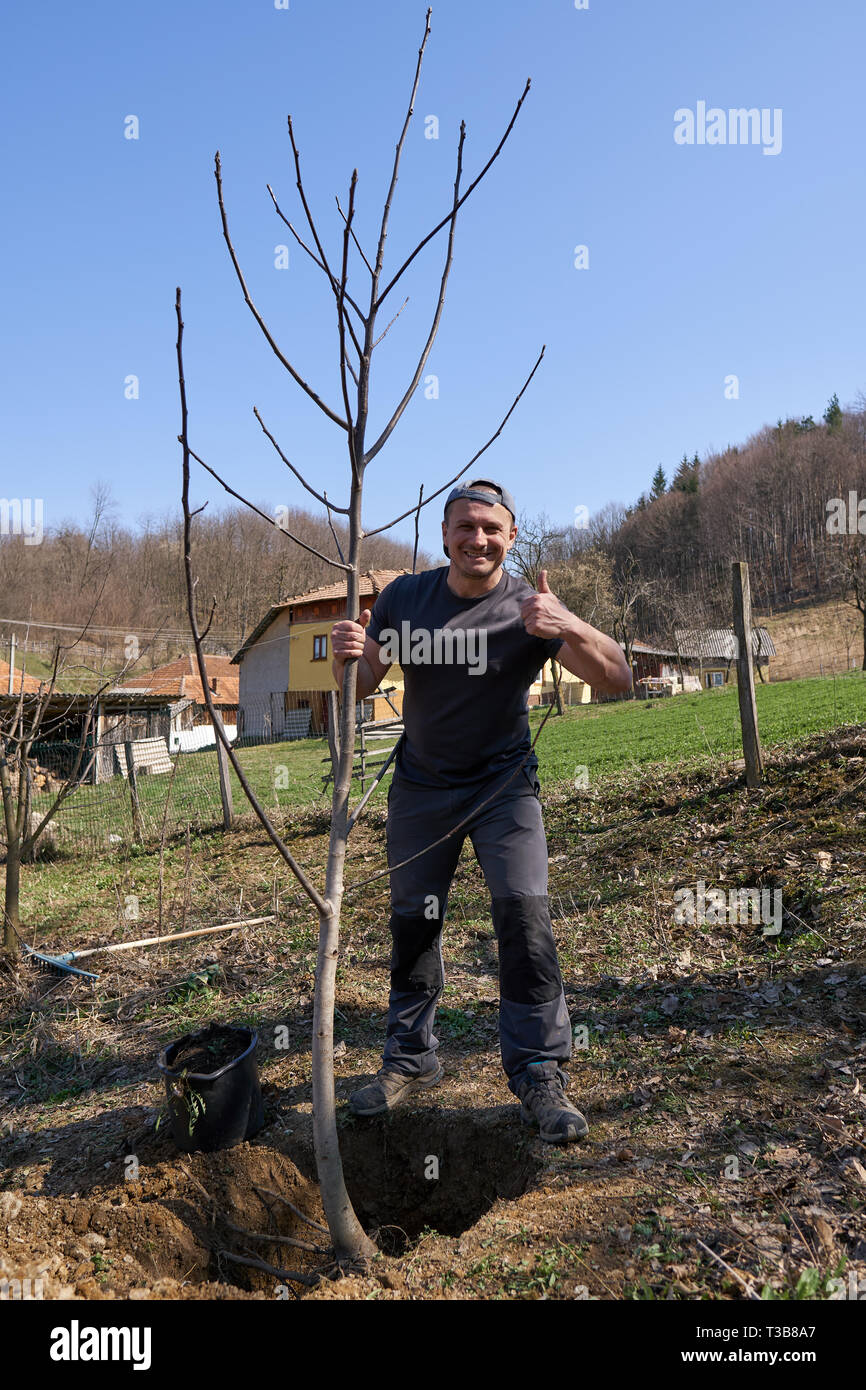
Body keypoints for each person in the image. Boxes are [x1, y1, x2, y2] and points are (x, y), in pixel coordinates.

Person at [331, 479, 632, 1143]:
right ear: (444, 534)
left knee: (525, 919)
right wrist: (344, 654)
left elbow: (618, 678)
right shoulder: (406, 598)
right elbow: (358, 686)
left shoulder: (530, 606)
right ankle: (410, 1060)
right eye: (465, 526)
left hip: (503, 789)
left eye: (492, 529)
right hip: (422, 788)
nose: (478, 539)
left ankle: (538, 1074)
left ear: (511, 538)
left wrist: (570, 624)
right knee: (415, 925)